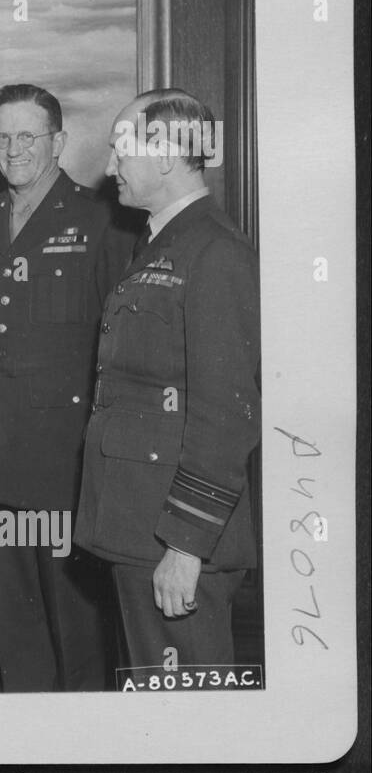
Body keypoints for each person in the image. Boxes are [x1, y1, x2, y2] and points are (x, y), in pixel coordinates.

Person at [75, 88, 259, 676]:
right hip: (140, 529)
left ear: (163, 154)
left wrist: (185, 546)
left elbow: (225, 417)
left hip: (175, 542)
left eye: (119, 151)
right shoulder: (162, 240)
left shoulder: (215, 253)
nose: (110, 169)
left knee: (188, 729)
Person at [0, 84, 131, 692]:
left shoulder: (100, 219)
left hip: (66, 463)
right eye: (2, 137)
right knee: (14, 630)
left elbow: (119, 351)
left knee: (76, 628)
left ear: (58, 141)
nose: (12, 149)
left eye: (26, 135)